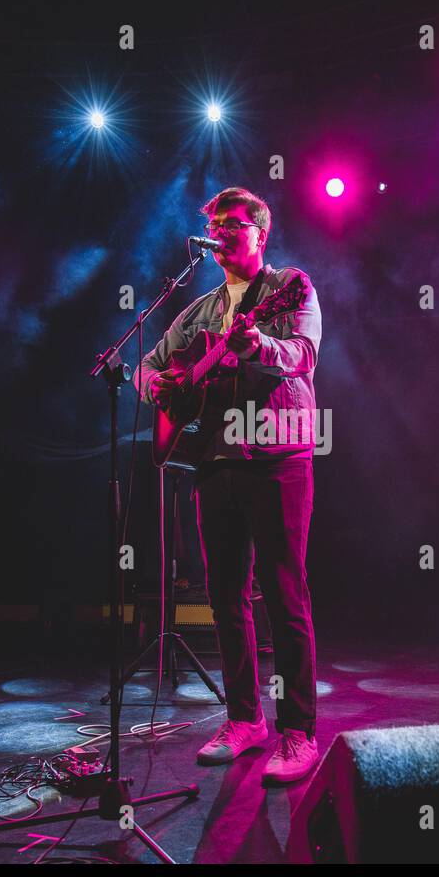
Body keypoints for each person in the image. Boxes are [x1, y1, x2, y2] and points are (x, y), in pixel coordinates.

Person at [134, 187, 321, 785]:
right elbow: (147, 366)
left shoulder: (290, 286)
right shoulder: (199, 309)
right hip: (214, 459)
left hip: (276, 454)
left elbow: (303, 354)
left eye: (233, 224)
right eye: (215, 225)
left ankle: (298, 730)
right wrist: (160, 387)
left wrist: (258, 343)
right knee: (224, 595)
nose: (221, 233)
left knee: (285, 594)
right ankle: (245, 719)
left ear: (260, 232)